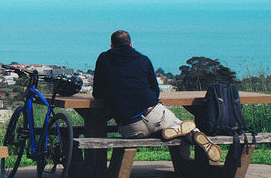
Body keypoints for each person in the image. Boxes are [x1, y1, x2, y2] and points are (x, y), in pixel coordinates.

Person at [92, 30, 221, 163]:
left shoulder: (104, 59)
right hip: (154, 114)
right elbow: (155, 90)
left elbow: (97, 93)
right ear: (131, 44)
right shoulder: (143, 59)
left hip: (130, 127)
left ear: (111, 46)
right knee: (185, 127)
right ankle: (189, 144)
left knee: (160, 130)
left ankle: (173, 131)